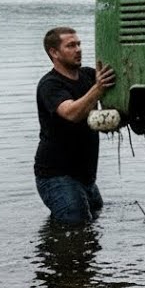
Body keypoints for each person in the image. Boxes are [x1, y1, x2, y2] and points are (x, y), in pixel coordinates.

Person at [35, 27, 115, 225]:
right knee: (77, 226)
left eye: (79, 44)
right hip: (56, 176)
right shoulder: (50, 85)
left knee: (93, 218)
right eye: (70, 45)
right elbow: (71, 113)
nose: (78, 49)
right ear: (54, 53)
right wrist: (97, 89)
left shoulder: (88, 75)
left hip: (86, 177)